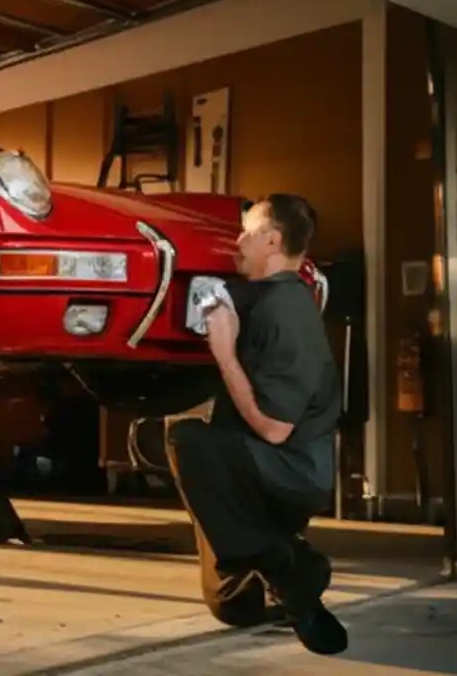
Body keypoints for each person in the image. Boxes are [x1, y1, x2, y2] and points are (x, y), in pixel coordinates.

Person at [166, 192, 348, 655]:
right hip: (257, 461)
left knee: (186, 441)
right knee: (229, 605)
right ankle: (278, 579)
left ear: (272, 240)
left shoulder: (290, 316)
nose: (238, 240)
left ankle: (290, 567)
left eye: (247, 231)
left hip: (289, 472)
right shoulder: (264, 295)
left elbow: (274, 429)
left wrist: (225, 356)